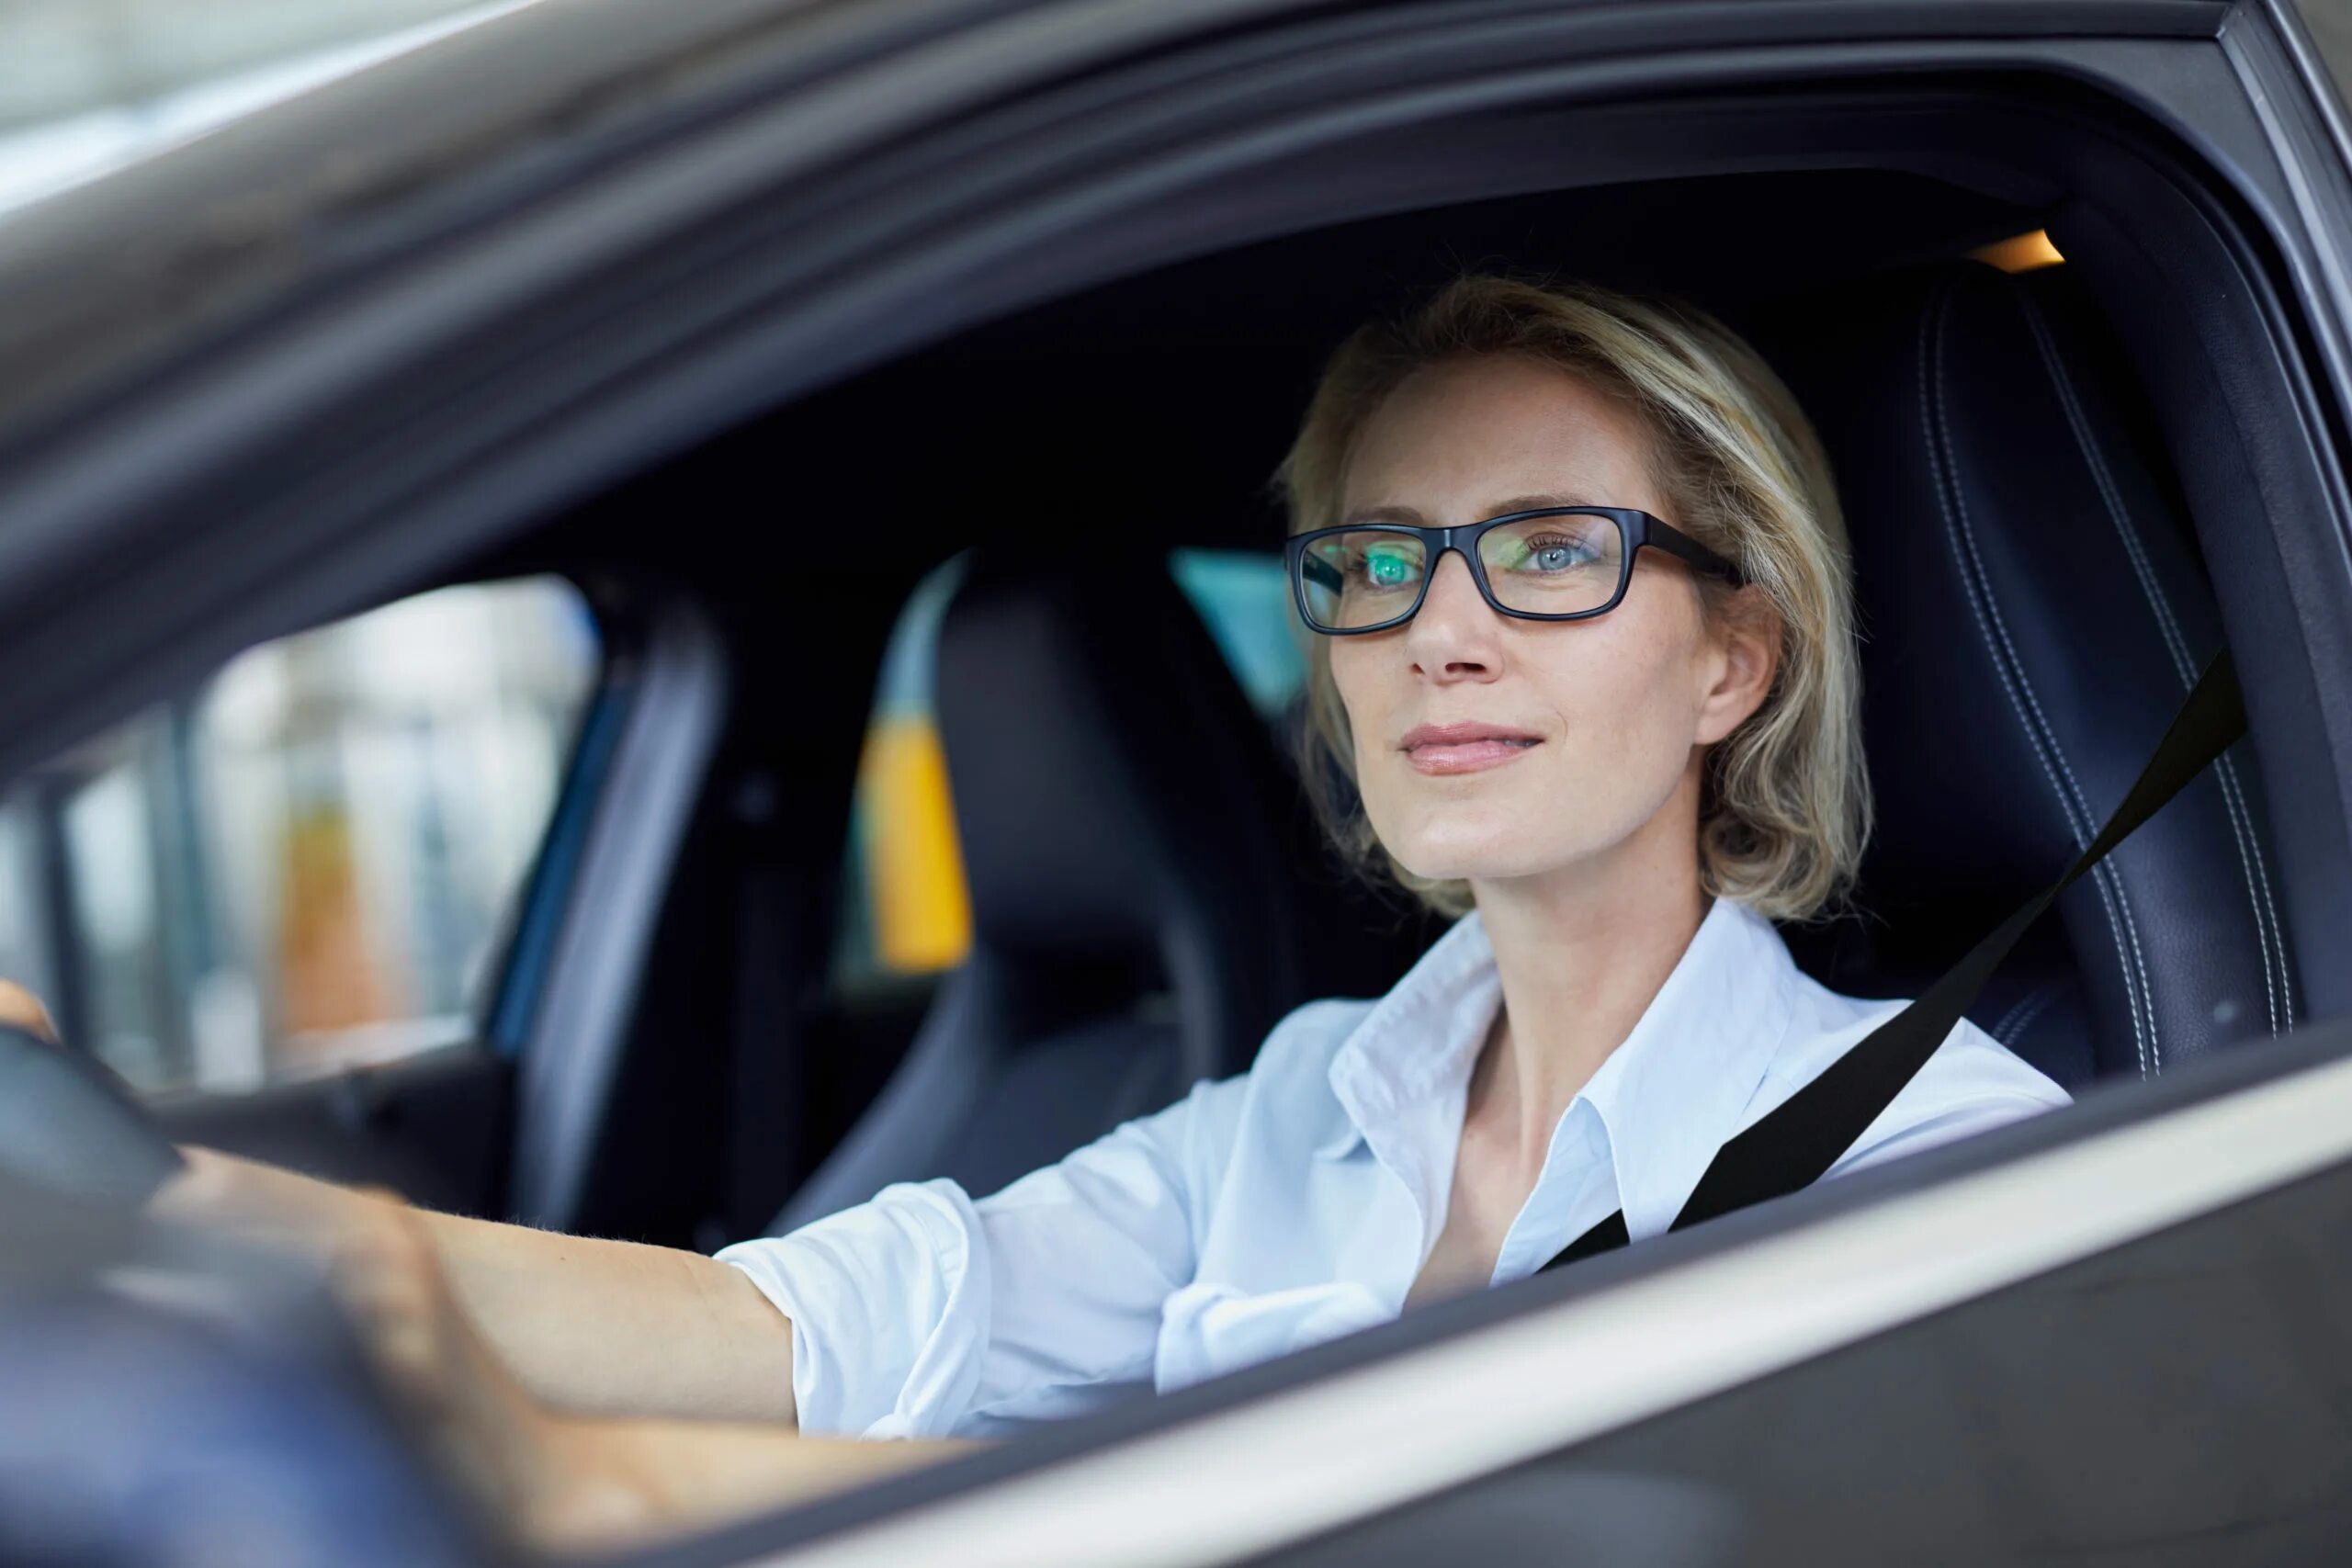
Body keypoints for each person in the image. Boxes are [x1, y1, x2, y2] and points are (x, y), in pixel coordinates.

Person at [28, 272, 2071, 1551]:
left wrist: (592, 1488)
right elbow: (809, 1328)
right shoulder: (1302, 1107)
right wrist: (135, 1189)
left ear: (1732, 658)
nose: (1435, 629)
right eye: (1372, 563)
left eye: (1544, 551)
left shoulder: (1944, 1171)